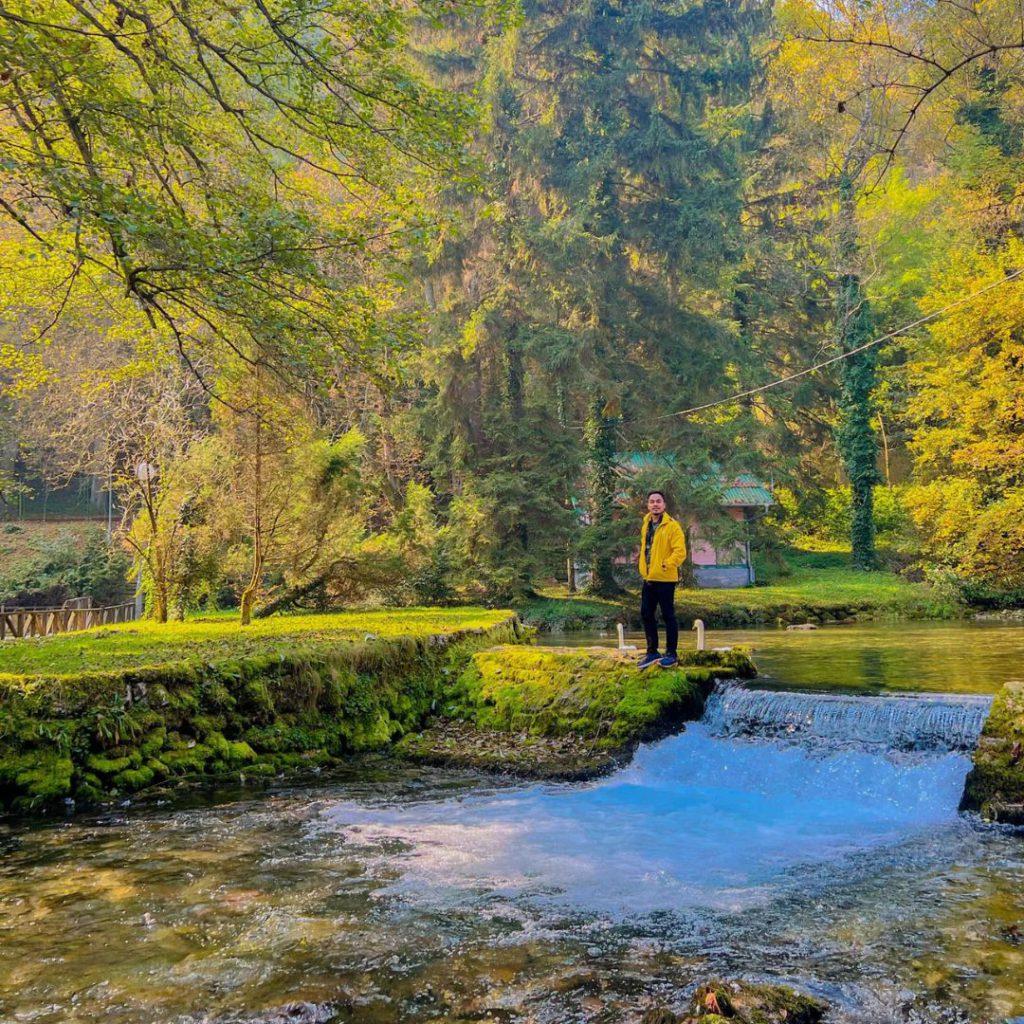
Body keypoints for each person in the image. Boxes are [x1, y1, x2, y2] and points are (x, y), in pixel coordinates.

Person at [636, 490, 687, 669]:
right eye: (652, 502)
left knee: (668, 615)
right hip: (649, 578)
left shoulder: (672, 526)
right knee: (646, 613)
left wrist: (667, 564)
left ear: (664, 505)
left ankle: (671, 653)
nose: (655, 504)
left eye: (658, 501)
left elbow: (680, 551)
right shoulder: (646, 525)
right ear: (648, 505)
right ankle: (652, 652)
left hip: (665, 579)